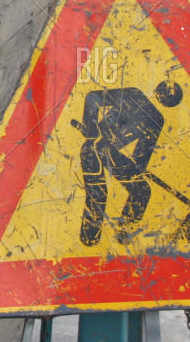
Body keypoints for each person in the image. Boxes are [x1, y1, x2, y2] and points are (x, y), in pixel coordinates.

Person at [73, 80, 183, 245]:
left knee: (142, 190)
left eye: (172, 95)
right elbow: (93, 98)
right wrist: (91, 128)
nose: (168, 95)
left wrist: (137, 168)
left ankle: (123, 237)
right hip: (94, 147)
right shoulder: (133, 94)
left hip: (111, 153)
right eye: (168, 91)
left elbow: (141, 157)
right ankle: (89, 240)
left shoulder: (157, 119)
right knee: (98, 194)